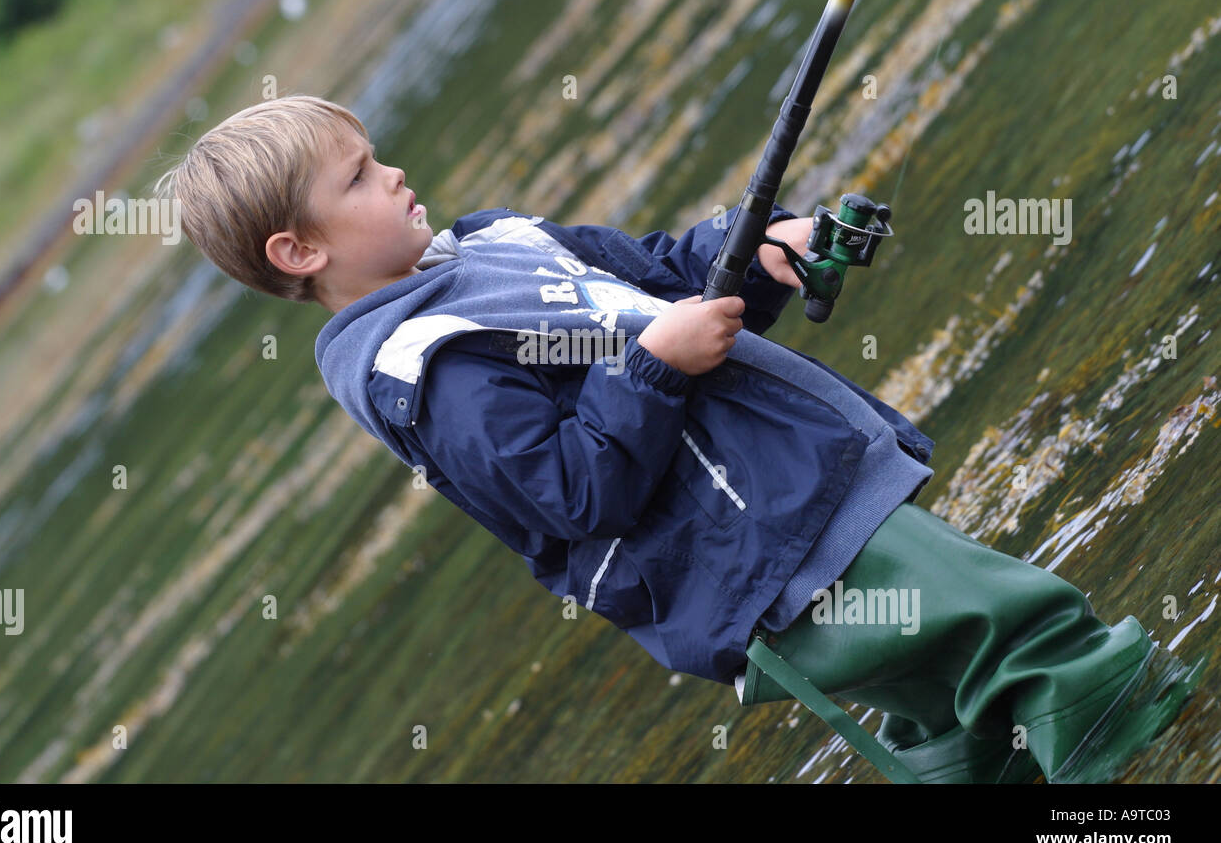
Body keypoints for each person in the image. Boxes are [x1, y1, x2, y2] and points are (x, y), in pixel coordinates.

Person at [155, 95, 1205, 783]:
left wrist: (762, 254)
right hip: (760, 551)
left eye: (374, 155)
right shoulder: (430, 368)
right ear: (297, 249)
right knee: (1025, 633)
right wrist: (654, 365)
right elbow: (573, 494)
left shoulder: (489, 241)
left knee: (965, 721)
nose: (391, 175)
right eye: (356, 178)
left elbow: (660, 274)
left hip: (792, 497)